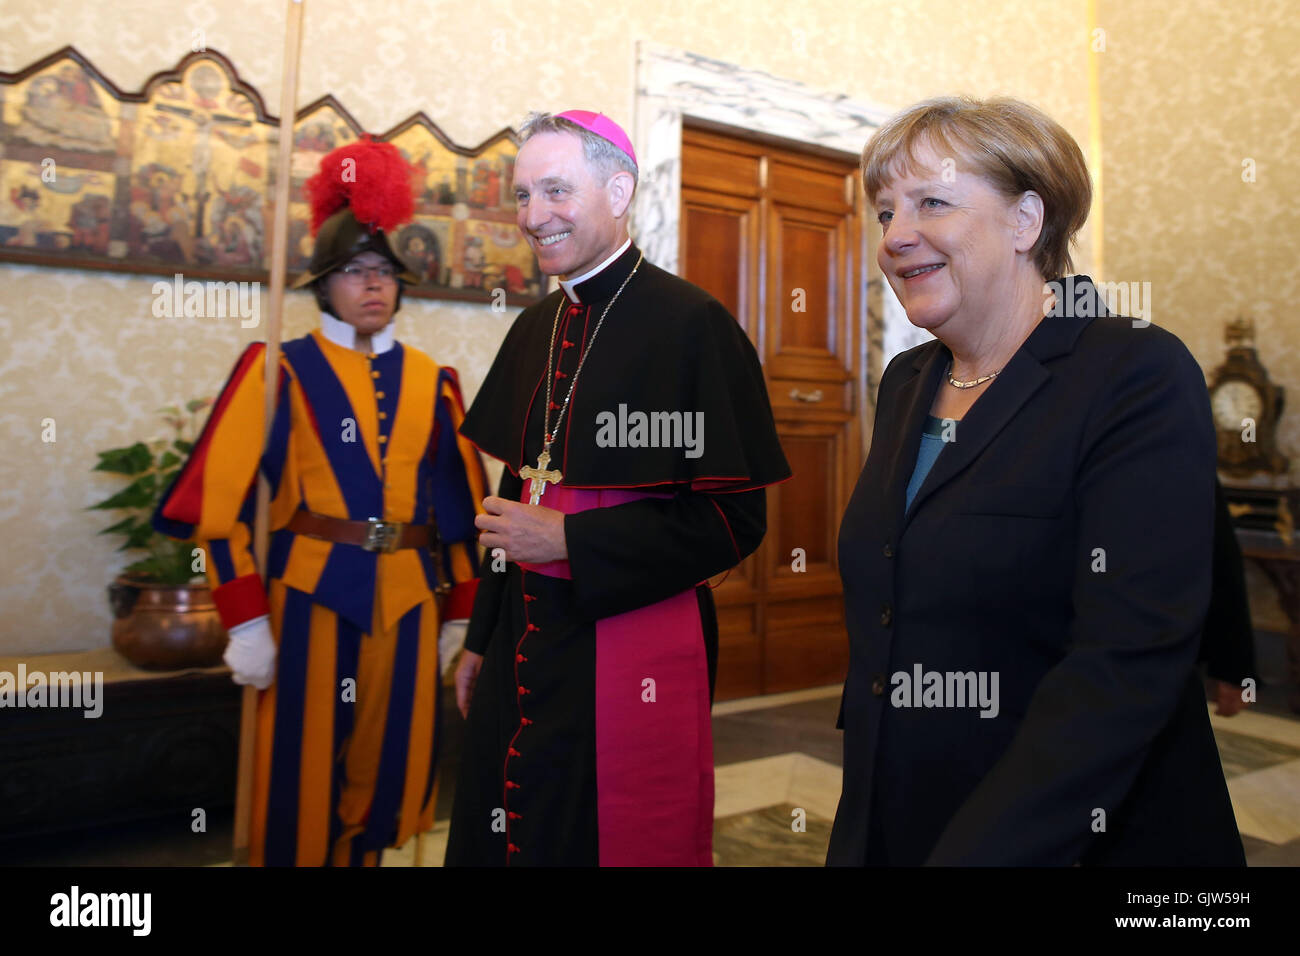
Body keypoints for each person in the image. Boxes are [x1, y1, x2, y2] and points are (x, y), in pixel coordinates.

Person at [828, 96, 1245, 866]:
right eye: (884, 212)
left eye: (932, 202)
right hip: (900, 812)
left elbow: (1125, 662)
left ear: (1025, 222)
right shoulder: (906, 380)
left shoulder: (1133, 371)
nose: (895, 237)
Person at [443, 110, 789, 866]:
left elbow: (736, 519)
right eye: (524, 194)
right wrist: (479, 639)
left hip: (626, 650)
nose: (534, 216)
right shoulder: (535, 325)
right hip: (521, 643)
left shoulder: (692, 324)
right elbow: (513, 497)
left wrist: (572, 540)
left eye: (556, 191)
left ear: (620, 189)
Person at [152, 138, 488, 866]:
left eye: (384, 273)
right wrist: (244, 621)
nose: (373, 286)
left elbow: (457, 511)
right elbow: (221, 508)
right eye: (353, 272)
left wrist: (461, 610)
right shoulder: (278, 368)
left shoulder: (436, 381)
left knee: (391, 763)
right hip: (307, 596)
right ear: (322, 285)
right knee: (299, 769)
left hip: (407, 602)